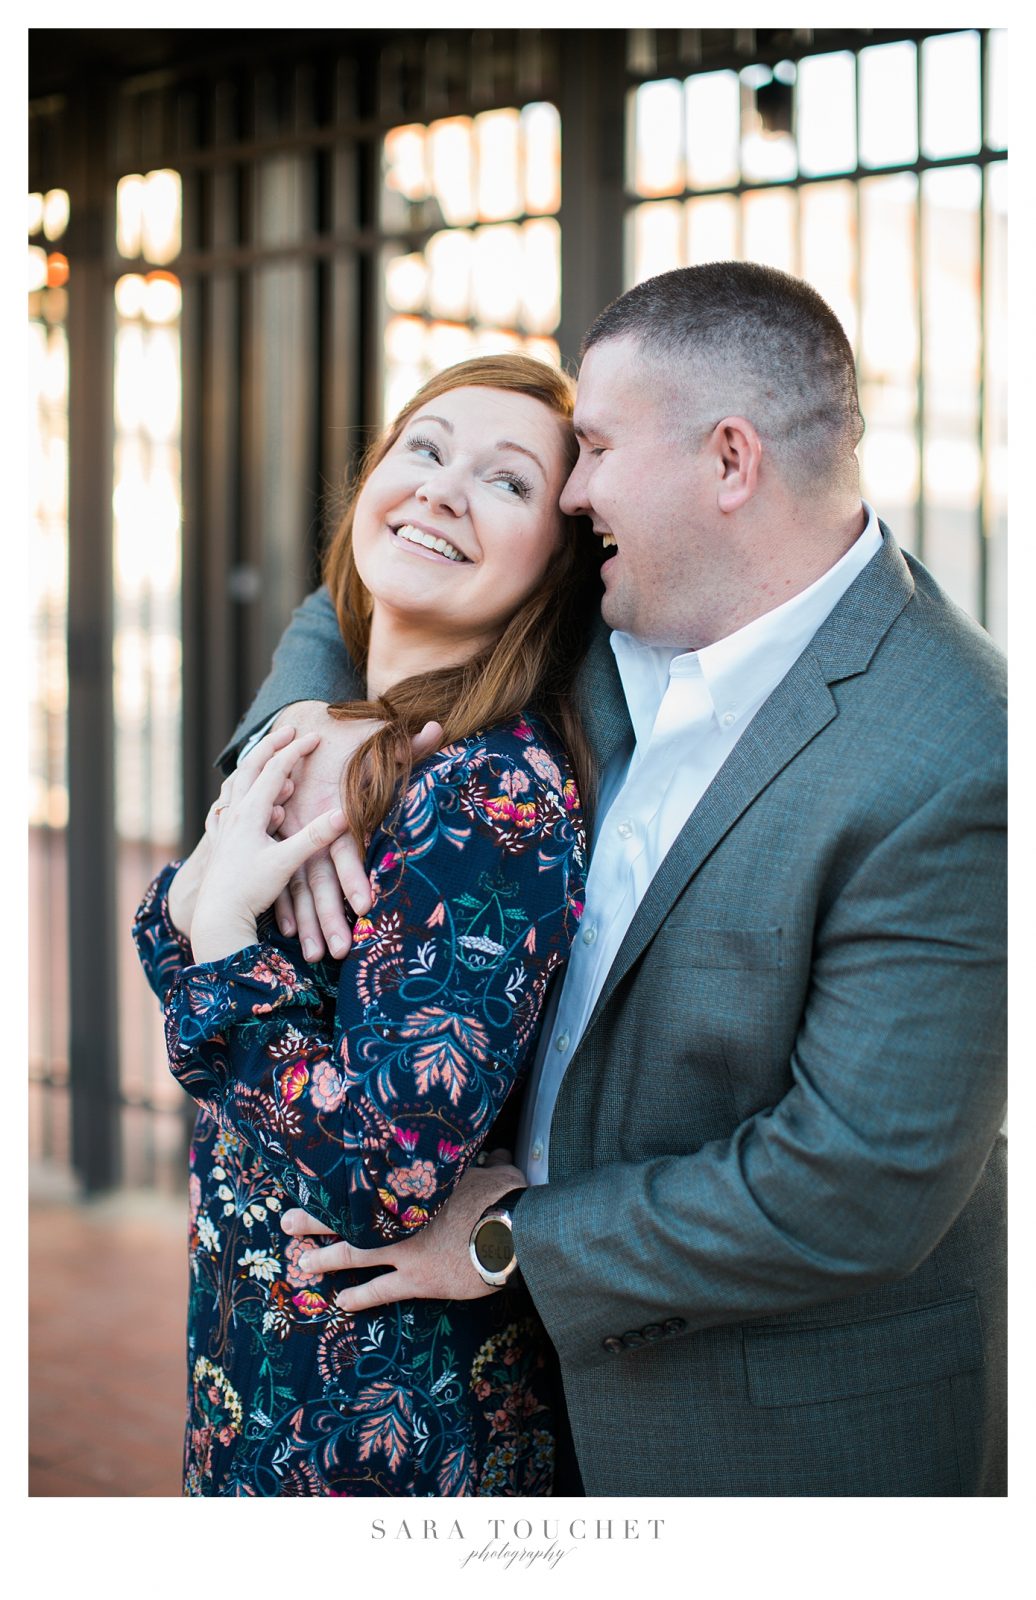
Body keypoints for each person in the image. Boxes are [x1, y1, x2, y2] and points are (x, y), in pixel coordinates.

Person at [222, 263, 1007, 1497]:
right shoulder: (622, 597)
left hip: (759, 1438)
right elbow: (361, 591)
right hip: (504, 1401)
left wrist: (509, 1236)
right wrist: (307, 745)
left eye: (590, 448)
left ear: (729, 463)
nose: (575, 491)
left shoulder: (953, 748)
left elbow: (861, 1180)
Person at [132, 352, 600, 1496]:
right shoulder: (324, 735)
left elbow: (383, 1175)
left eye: (506, 481)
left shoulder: (489, 799)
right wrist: (200, 912)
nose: (440, 489)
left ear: (558, 562)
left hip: (381, 1419)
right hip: (252, 1367)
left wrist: (222, 935)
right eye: (425, 448)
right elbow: (194, 936)